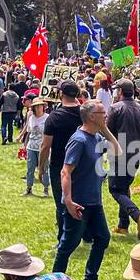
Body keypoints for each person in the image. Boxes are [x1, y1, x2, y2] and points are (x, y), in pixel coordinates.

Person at [53, 100, 121, 280]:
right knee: (69, 245)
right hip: (79, 203)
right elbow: (65, 172)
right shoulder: (79, 140)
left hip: (94, 201)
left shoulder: (97, 138)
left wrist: (105, 129)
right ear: (92, 117)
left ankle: (90, 279)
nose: (106, 115)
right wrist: (68, 201)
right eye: (102, 113)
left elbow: (118, 150)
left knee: (102, 238)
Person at [106, 78, 140, 239]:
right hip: (137, 152)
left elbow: (108, 131)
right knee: (124, 186)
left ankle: (137, 215)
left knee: (115, 189)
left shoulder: (115, 108)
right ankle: (123, 226)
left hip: (119, 152)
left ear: (120, 92)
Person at [38, 80, 84, 235]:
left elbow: (45, 146)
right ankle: (86, 234)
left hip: (60, 165)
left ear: (61, 94)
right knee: (82, 198)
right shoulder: (85, 113)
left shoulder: (54, 117)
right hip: (83, 163)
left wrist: (41, 166)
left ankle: (64, 237)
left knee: (62, 202)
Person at [22, 97, 49, 196]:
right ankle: (29, 188)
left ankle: (45, 189)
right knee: (30, 168)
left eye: (40, 106)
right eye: (36, 107)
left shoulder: (47, 118)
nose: (38, 108)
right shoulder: (31, 118)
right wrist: (24, 144)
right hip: (31, 146)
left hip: (43, 147)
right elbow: (29, 132)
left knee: (44, 168)